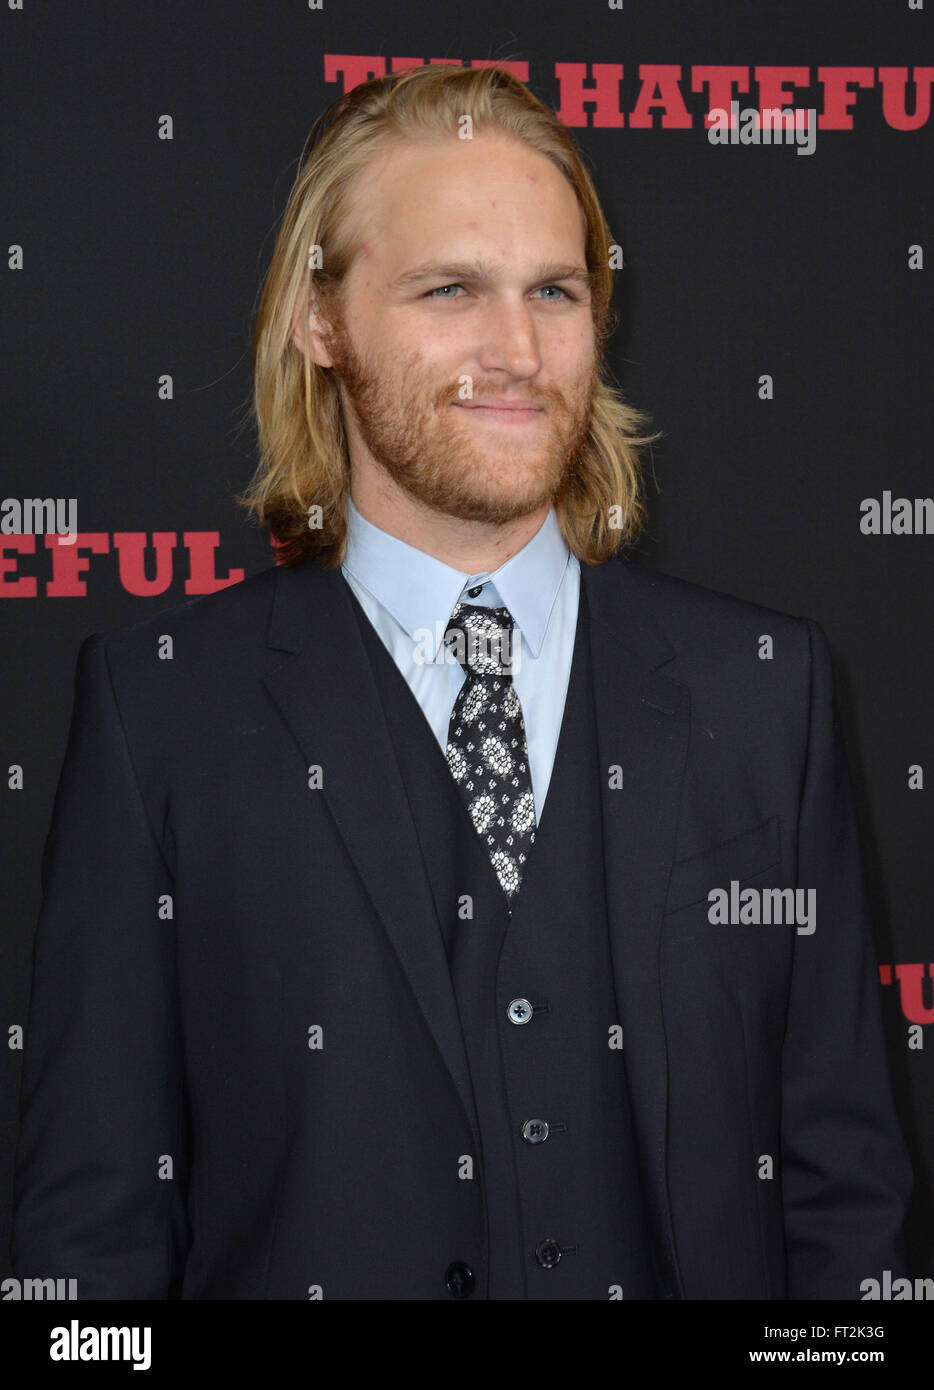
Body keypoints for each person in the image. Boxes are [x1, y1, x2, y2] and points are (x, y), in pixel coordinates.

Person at [11, 63, 912, 1300]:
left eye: (555, 289)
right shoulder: (158, 707)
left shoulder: (766, 692)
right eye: (449, 290)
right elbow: (92, 1228)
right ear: (319, 319)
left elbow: (844, 1195)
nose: (518, 350)